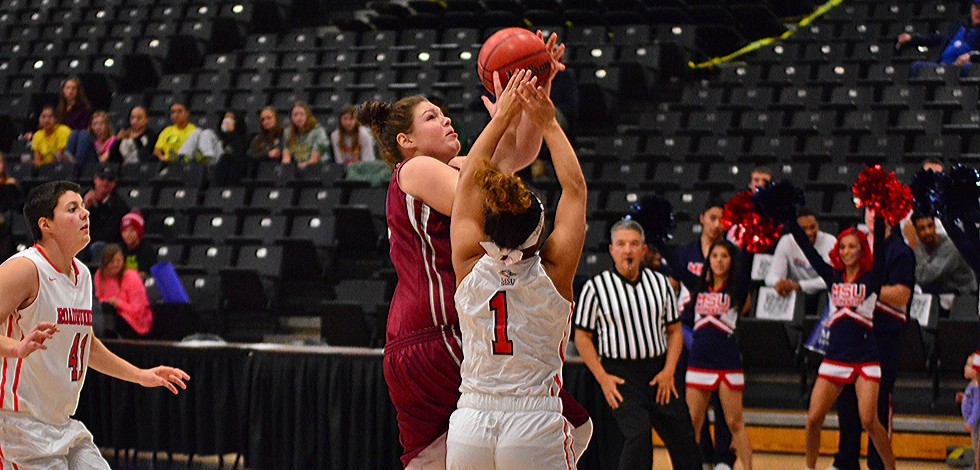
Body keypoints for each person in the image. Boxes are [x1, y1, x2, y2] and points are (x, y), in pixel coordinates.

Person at [359, 31, 591, 469]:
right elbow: (486, 200)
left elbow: (515, 155)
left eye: (445, 113)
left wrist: (535, 89)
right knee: (560, 421)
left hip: (446, 332)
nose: (446, 121)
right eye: (431, 117)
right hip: (434, 332)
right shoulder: (416, 168)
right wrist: (505, 118)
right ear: (405, 142)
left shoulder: (454, 167)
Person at [447, 70, 584, 468]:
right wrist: (549, 123)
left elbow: (471, 178)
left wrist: (501, 117)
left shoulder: (469, 264)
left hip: (471, 420)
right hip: (533, 420)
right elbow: (575, 189)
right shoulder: (555, 271)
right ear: (540, 231)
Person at [0, 180, 188, 468]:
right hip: (19, 427)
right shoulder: (25, 268)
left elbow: (86, 345)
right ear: (45, 224)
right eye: (72, 208)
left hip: (63, 425)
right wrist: (17, 347)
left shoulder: (83, 274)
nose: (85, 214)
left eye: (84, 207)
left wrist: (140, 375)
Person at [575, 219, 701, 470]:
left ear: (644, 250)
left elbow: (675, 331)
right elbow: (582, 337)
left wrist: (669, 371)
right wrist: (603, 377)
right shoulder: (595, 287)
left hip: (658, 373)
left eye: (634, 244)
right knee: (638, 436)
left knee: (684, 436)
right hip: (620, 375)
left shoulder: (660, 283)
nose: (628, 250)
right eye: (621, 244)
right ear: (611, 250)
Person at [781, 208, 897, 470]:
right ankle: (810, 467)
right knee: (813, 419)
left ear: (861, 250)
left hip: (866, 358)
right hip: (835, 358)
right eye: (842, 247)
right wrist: (789, 219)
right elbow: (808, 251)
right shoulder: (833, 277)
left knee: (869, 420)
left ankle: (890, 468)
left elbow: (879, 247)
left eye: (852, 247)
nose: (846, 251)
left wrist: (877, 214)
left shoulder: (873, 277)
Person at [832, 209, 914, 470]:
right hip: (852, 334)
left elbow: (902, 295)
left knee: (877, 405)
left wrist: (865, 292)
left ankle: (879, 465)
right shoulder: (855, 246)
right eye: (868, 209)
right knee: (845, 401)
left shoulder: (900, 251)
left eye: (879, 210)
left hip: (884, 336)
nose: (872, 215)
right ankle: (846, 461)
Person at [665, 237, 755, 469]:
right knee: (693, 423)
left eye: (724, 256)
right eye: (714, 256)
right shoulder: (698, 285)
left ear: (732, 261)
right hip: (699, 361)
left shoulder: (738, 288)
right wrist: (657, 237)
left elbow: (748, 259)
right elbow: (676, 263)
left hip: (728, 361)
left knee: (735, 422)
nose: (719, 260)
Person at [665, 200, 735, 470]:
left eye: (723, 219)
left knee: (722, 398)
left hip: (718, 330)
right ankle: (703, 454)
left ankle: (724, 458)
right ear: (703, 218)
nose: (718, 224)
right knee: (694, 399)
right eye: (714, 217)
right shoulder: (686, 252)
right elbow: (671, 286)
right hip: (687, 330)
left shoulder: (729, 254)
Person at [765, 208, 835, 299]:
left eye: (812, 227)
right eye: (803, 229)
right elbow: (770, 277)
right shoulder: (786, 242)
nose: (809, 233)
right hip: (796, 296)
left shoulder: (829, 241)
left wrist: (799, 285)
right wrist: (779, 283)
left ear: (818, 226)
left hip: (823, 296)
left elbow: (833, 278)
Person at [897, 0, 980, 77]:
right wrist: (912, 39)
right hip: (943, 66)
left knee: (967, 67)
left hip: (964, 68)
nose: (978, 12)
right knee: (917, 66)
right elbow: (939, 38)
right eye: (977, 8)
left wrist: (971, 57)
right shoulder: (960, 27)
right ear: (971, 9)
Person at [94, 243, 153, 338]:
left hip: (134, 319)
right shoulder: (99, 275)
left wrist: (118, 303)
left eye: (118, 260)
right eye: (111, 262)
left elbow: (138, 310)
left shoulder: (132, 276)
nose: (115, 264)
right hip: (111, 315)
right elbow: (100, 298)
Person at [911, 213, 976, 299]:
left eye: (930, 226)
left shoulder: (950, 245)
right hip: (940, 294)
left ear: (935, 226)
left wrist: (914, 246)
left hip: (964, 297)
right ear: (916, 231)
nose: (928, 232)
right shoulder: (920, 245)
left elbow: (924, 277)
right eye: (921, 229)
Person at [82, 166, 129, 258]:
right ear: (95, 180)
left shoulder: (119, 206)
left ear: (114, 184)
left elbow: (110, 235)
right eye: (102, 178)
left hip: (107, 248)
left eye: (110, 180)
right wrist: (85, 209)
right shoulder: (82, 199)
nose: (105, 183)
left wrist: (98, 208)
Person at [281, 102, 328, 169]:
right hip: (298, 166)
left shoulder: (318, 131)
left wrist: (305, 164)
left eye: (302, 114)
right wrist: (284, 168)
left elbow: (315, 158)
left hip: (319, 167)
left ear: (308, 116)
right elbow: (286, 156)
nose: (298, 117)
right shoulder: (287, 132)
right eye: (295, 115)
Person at [212, 111, 249, 186]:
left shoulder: (244, 140)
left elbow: (239, 155)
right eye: (225, 118)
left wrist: (232, 133)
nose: (227, 121)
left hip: (233, 180)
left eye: (231, 118)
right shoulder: (216, 140)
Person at [246, 107, 283, 174]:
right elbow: (251, 155)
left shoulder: (284, 135)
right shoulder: (257, 139)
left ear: (276, 119)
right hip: (259, 170)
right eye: (263, 119)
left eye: (269, 118)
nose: (265, 121)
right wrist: (267, 154)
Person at [959, 353, 980, 469]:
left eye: (969, 365)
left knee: (978, 447)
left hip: (977, 425)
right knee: (975, 446)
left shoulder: (977, 387)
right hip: (975, 425)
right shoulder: (972, 385)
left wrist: (971, 422)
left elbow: (978, 406)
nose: (965, 367)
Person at [119, 211, 155, 279]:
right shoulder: (118, 250)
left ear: (139, 232)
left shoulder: (148, 251)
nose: (128, 235)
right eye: (124, 231)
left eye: (132, 231)